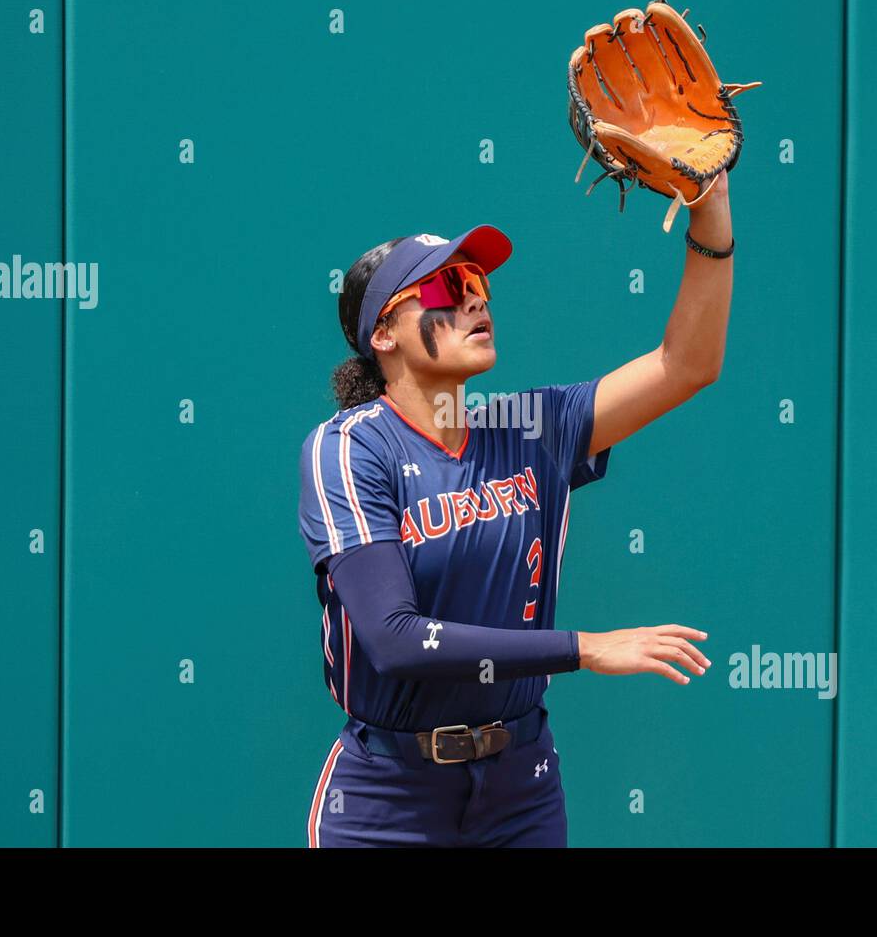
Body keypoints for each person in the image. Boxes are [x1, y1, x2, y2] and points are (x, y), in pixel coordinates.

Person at [298, 171, 736, 847]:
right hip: (391, 799)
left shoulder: (531, 426)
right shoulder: (350, 450)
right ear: (382, 333)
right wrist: (584, 649)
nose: (477, 302)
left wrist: (710, 215)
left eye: (481, 286)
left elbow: (687, 364)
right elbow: (393, 638)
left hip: (519, 790)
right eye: (450, 288)